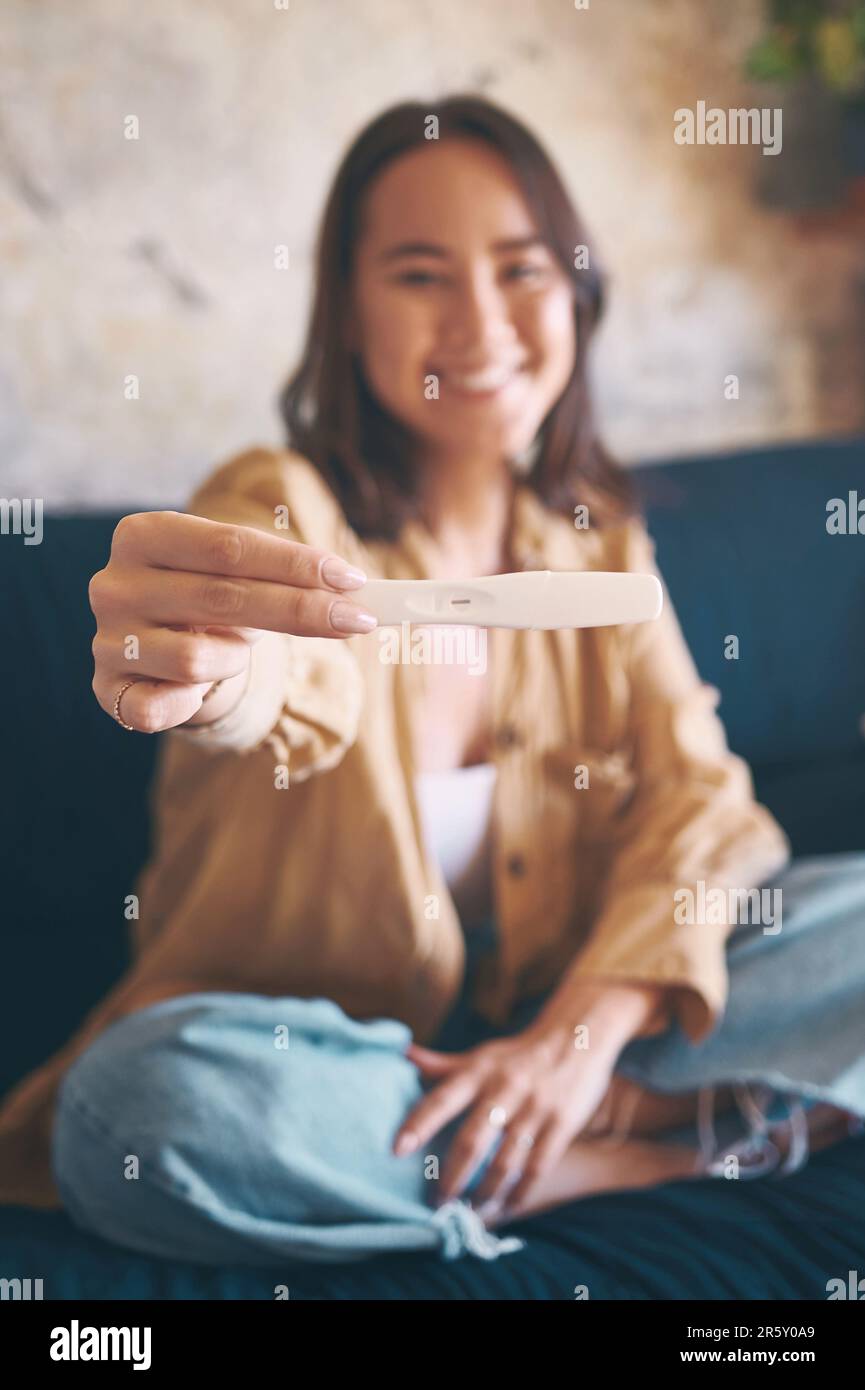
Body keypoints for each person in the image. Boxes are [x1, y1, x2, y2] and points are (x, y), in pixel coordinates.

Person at [1, 96, 862, 1267]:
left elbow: (700, 803)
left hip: (556, 1024)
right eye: (418, 274)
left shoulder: (597, 544)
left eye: (520, 270)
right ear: (347, 314)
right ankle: (640, 1149)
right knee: (141, 1106)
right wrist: (207, 673)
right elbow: (285, 684)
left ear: (575, 297)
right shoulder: (280, 502)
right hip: (318, 1068)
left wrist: (576, 1035)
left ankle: (556, 1118)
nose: (479, 320)